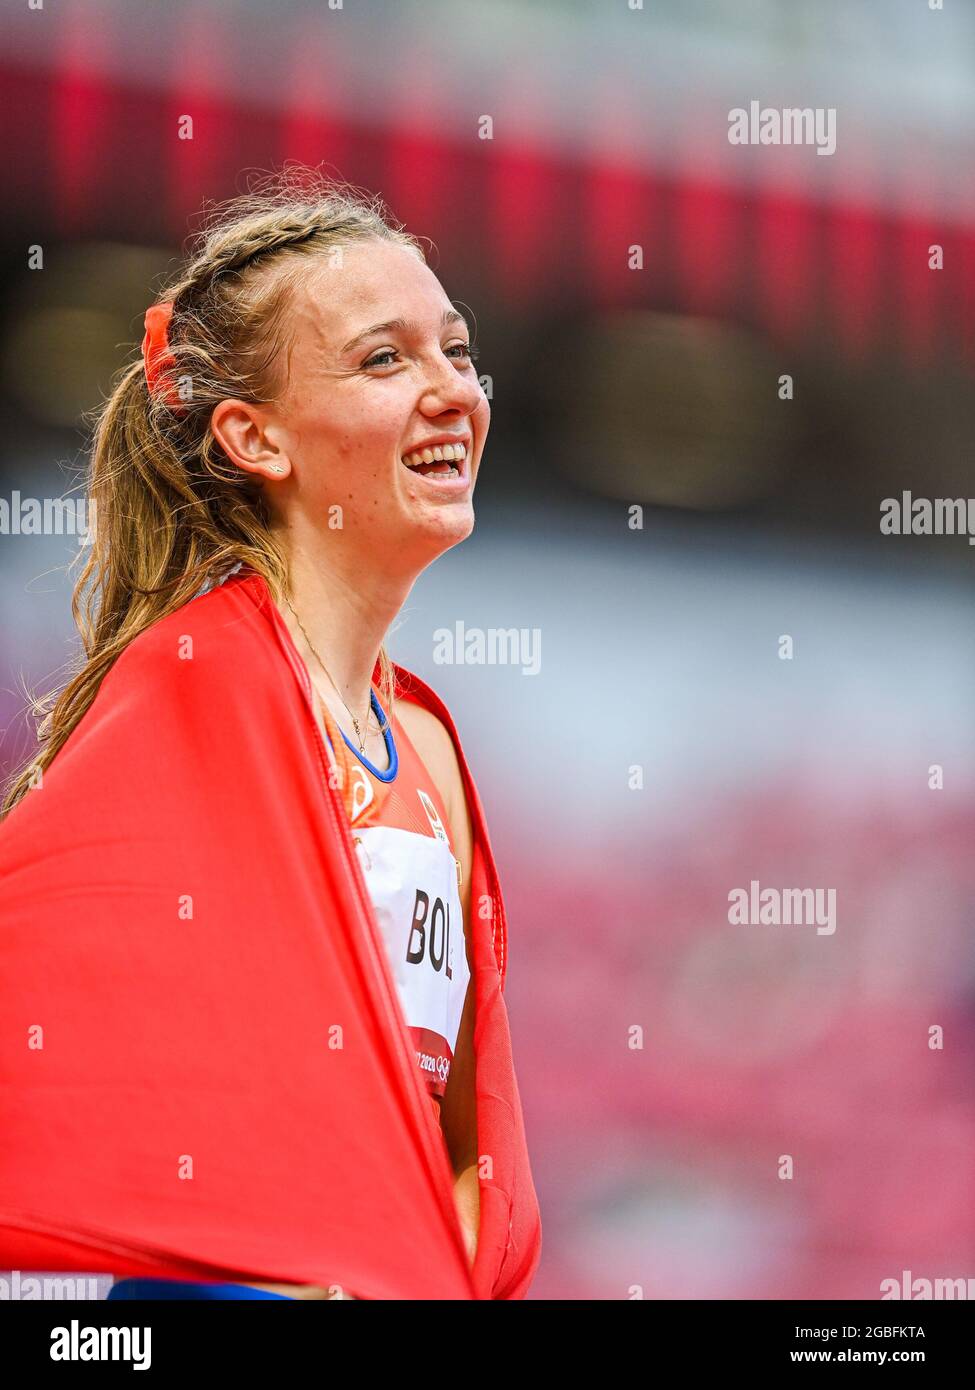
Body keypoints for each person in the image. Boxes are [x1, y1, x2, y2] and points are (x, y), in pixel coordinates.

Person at [0, 168, 541, 1300]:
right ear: (256, 437)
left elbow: (458, 1150)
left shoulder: (427, 745)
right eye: (385, 360)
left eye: (456, 349)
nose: (452, 391)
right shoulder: (199, 681)